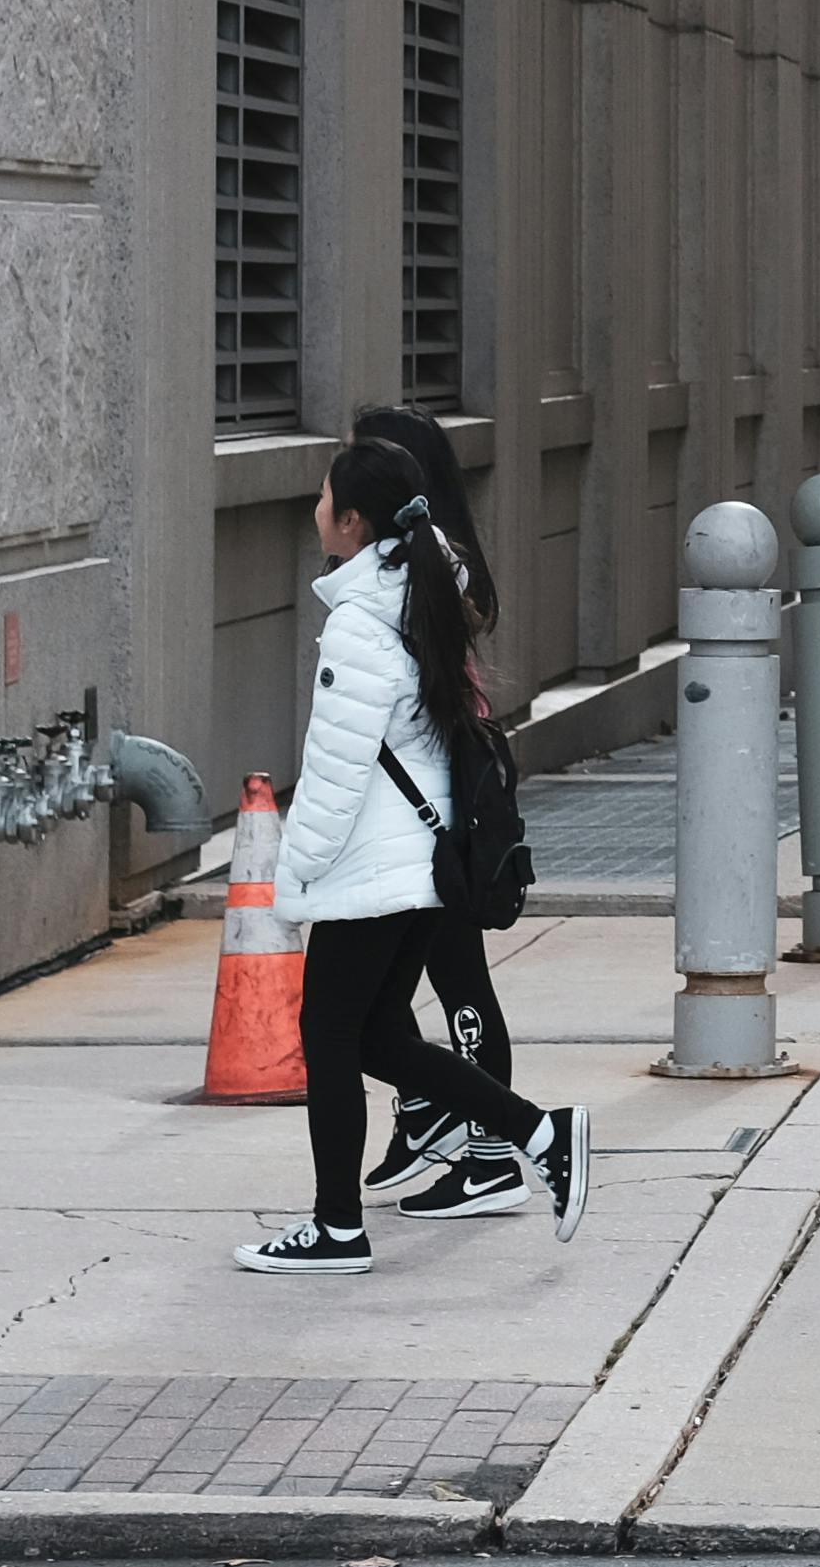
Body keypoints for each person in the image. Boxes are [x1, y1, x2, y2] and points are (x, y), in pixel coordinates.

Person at [241, 440, 589, 1274]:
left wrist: (295, 879)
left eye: (324, 497)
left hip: (373, 873)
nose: (316, 507)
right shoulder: (416, 594)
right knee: (372, 1041)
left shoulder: (361, 622)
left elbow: (333, 771)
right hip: (417, 866)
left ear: (352, 521)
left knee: (329, 1034)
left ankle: (337, 1227)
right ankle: (541, 1134)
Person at [346, 403, 523, 1213]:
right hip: (429, 801)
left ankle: (494, 1153)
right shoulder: (431, 563)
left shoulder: (426, 571)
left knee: (456, 978)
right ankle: (427, 1113)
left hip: (438, 807)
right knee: (396, 984)